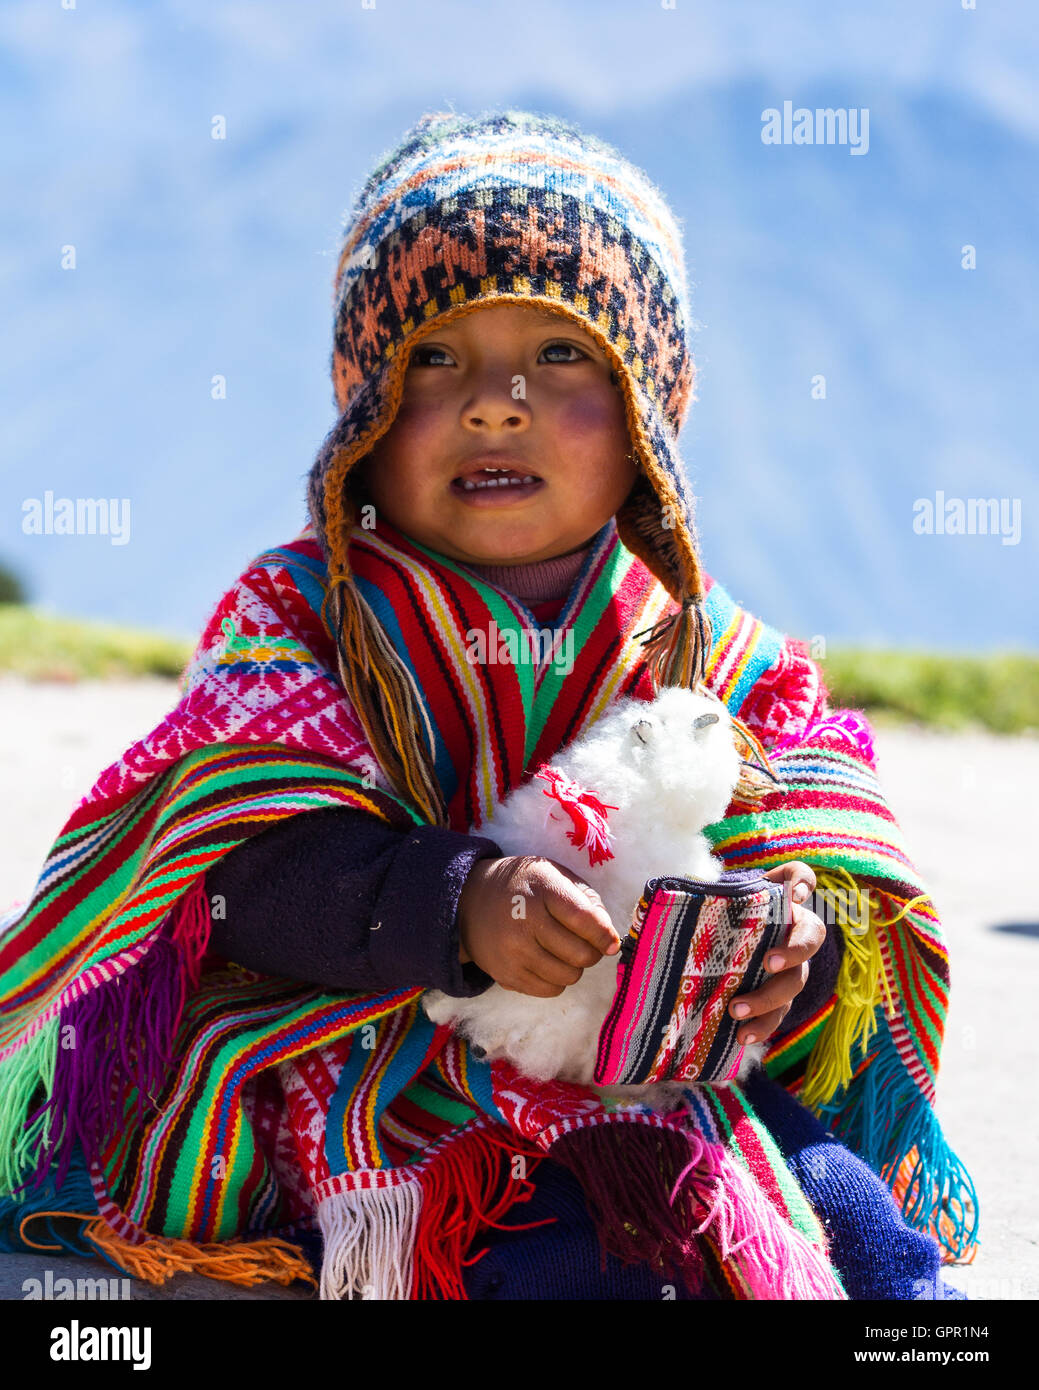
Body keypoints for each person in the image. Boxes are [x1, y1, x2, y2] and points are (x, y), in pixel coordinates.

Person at [0, 110, 976, 1300]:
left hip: (671, 1075)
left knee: (854, 1230)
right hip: (382, 1065)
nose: (494, 403)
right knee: (573, 1256)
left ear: (646, 410)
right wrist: (455, 903)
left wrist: (795, 949)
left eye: (560, 356)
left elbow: (828, 853)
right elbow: (224, 871)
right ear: (361, 405)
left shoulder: (702, 641)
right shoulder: (309, 614)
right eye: (432, 358)